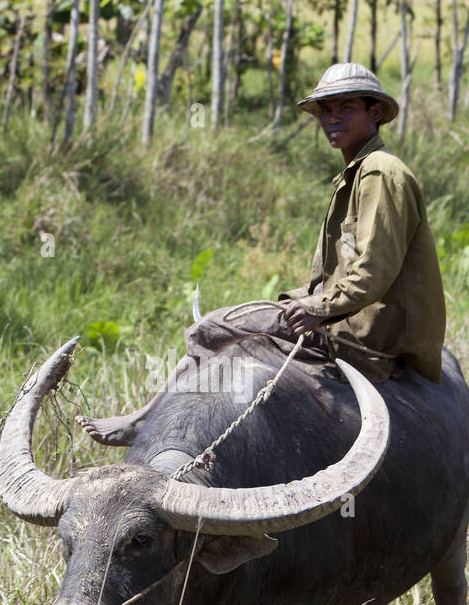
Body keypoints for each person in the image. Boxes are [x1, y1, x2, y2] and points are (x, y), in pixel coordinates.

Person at [78, 62, 445, 447]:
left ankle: (143, 421)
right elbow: (348, 271)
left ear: (374, 113)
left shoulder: (379, 173)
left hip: (369, 336)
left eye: (346, 108)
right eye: (325, 110)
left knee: (211, 329)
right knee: (250, 322)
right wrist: (303, 298)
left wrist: (318, 308)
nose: (332, 118)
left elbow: (373, 270)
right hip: (349, 320)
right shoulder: (358, 172)